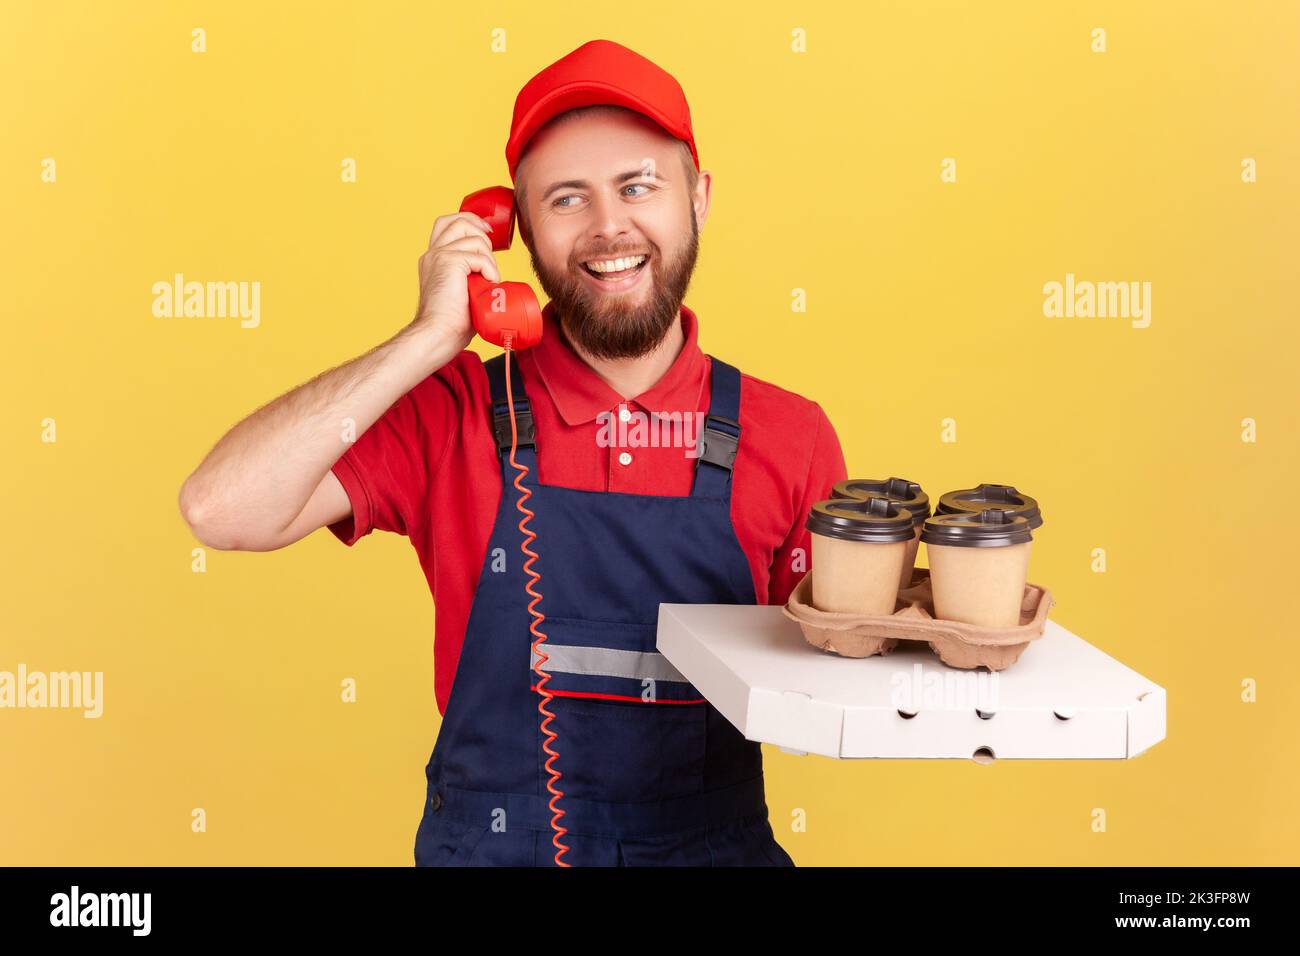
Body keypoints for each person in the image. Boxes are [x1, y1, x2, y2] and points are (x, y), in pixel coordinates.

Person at [179, 38, 847, 866]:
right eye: (567, 200)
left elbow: (839, 665)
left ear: (699, 199)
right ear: (513, 227)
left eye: (639, 186)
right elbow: (220, 509)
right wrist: (428, 340)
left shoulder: (791, 435)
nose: (610, 227)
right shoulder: (449, 412)